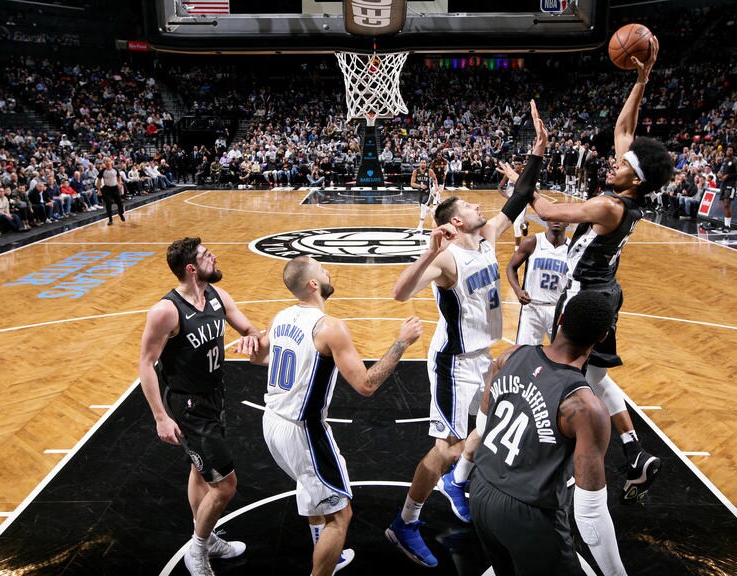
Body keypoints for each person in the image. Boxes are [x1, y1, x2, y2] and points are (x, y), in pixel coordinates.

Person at [499, 35, 672, 504]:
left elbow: (553, 213)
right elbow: (624, 129)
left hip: (585, 294)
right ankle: (635, 453)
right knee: (596, 376)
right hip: (605, 290)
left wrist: (522, 183)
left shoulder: (609, 207)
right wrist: (642, 80)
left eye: (620, 165)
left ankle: (575, 466)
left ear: (634, 178)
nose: (612, 164)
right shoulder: (628, 194)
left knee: (574, 378)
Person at [386, 101, 548, 568]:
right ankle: (407, 521)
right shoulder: (446, 258)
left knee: (483, 428)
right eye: (471, 205)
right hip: (453, 361)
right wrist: (427, 251)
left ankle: (458, 481)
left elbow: (517, 197)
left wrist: (536, 152)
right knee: (448, 446)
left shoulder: (487, 238)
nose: (481, 206)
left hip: (484, 354)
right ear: (456, 221)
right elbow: (399, 294)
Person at [249, 255, 422, 576]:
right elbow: (366, 385)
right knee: (341, 516)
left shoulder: (281, 316)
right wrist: (402, 342)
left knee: (312, 489)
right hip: (304, 432)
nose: (328, 271)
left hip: (271, 420)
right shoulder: (330, 328)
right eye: (322, 269)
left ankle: (332, 555)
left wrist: (252, 344)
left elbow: (260, 356)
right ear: (314, 284)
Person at [470, 290, 626, 576]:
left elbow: (482, 427)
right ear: (602, 338)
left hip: (480, 490)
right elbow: (590, 514)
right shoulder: (585, 407)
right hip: (528, 513)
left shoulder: (510, 356)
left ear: (561, 320)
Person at [138, 237, 261, 576]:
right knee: (225, 485)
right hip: (188, 405)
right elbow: (145, 364)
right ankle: (197, 549)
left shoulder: (217, 296)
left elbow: (251, 330)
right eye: (208, 255)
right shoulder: (167, 310)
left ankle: (206, 537)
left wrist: (252, 337)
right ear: (191, 268)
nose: (215, 257)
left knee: (199, 470)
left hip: (214, 395)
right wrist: (160, 417)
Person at [506, 221, 570, 345]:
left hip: (558, 309)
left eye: (561, 219)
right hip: (532, 307)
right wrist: (518, 290)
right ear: (546, 220)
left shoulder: (572, 248)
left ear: (568, 222)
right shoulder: (532, 242)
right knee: (524, 353)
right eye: (552, 218)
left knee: (561, 355)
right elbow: (511, 267)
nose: (556, 222)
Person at [496, 161, 529, 247]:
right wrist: (508, 198)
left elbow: (532, 190)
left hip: (521, 202)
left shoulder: (525, 176)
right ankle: (524, 225)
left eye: (519, 164)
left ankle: (517, 249)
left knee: (516, 224)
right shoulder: (508, 174)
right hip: (510, 202)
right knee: (515, 222)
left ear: (522, 166)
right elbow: (499, 188)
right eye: (516, 164)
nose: (517, 166)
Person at [712, 145, 737, 231]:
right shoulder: (725, 161)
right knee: (723, 205)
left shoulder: (736, 161)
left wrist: (728, 176)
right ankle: (725, 224)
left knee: (726, 204)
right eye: (728, 150)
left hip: (731, 184)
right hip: (724, 184)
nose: (729, 152)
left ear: (733, 152)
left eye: (731, 150)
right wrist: (720, 175)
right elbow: (723, 172)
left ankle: (728, 226)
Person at [411, 159, 438, 233]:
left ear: (426, 164)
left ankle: (420, 226)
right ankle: (432, 211)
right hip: (420, 191)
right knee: (424, 207)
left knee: (423, 205)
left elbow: (435, 179)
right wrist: (420, 186)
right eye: (422, 163)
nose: (423, 164)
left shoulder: (430, 171)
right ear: (419, 164)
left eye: (424, 163)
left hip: (427, 191)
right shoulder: (415, 172)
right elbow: (412, 184)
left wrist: (436, 188)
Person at [97, 157, 125, 225]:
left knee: (119, 203)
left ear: (111, 162)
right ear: (104, 163)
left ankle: (120, 213)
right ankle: (110, 219)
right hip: (107, 189)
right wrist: (99, 190)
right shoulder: (103, 171)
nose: (107, 162)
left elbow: (119, 176)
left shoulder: (115, 169)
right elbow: (99, 180)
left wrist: (120, 183)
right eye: (106, 161)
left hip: (115, 188)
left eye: (108, 161)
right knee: (108, 204)